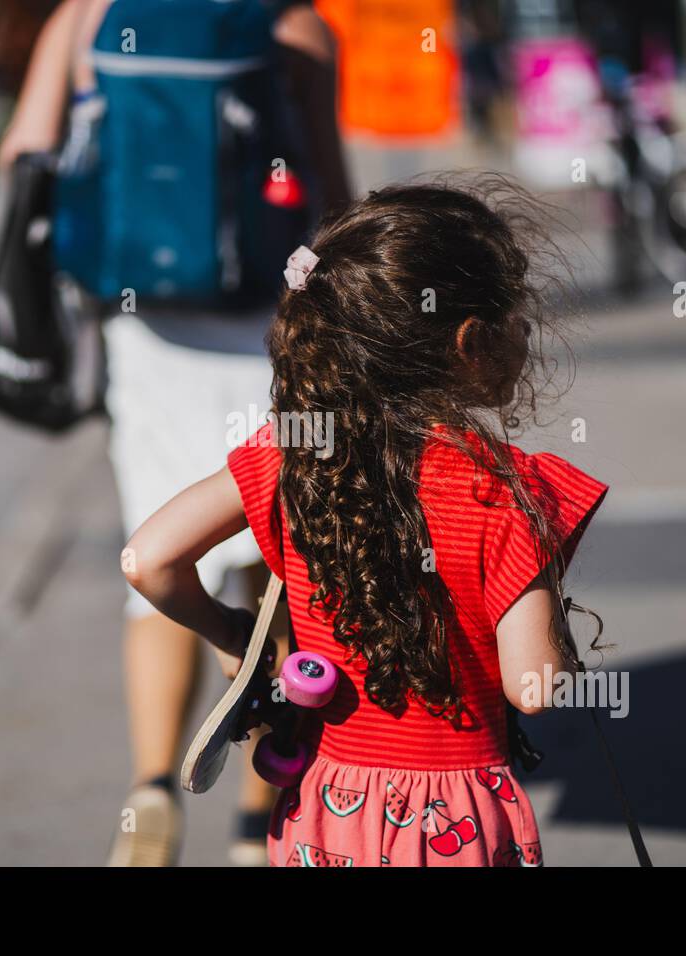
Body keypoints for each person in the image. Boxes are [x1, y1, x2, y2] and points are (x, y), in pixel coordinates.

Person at [122, 179, 609, 866]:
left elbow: (147, 558)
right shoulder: (510, 493)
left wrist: (230, 631)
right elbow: (533, 687)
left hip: (324, 812)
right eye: (517, 317)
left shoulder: (293, 454)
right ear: (470, 341)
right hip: (456, 824)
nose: (528, 332)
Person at [0, 0, 349, 866]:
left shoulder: (88, 16)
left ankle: (153, 788)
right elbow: (331, 197)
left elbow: (24, 156)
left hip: (146, 328)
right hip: (273, 329)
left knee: (157, 550)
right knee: (276, 572)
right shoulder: (294, 25)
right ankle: (257, 823)